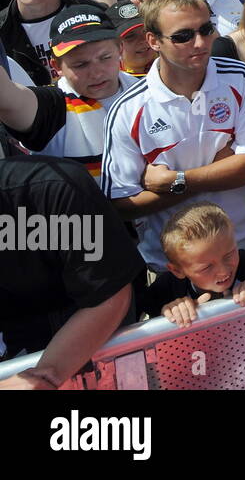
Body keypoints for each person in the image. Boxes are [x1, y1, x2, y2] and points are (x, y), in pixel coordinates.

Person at [101, 0, 245, 274]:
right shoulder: (127, 109)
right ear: (153, 41)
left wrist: (176, 181)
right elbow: (122, 203)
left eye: (206, 29)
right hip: (176, 268)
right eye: (183, 36)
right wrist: (217, 169)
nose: (200, 42)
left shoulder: (240, 77)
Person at [0, 156, 144, 389]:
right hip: (18, 328)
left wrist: (47, 377)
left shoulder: (57, 187)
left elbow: (108, 295)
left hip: (88, 314)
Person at [0, 5, 138, 184]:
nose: (96, 73)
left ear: (120, 49)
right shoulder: (52, 107)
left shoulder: (150, 90)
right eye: (80, 65)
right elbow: (5, 97)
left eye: (105, 58)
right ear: (56, 66)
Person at [137, 202, 245, 326]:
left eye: (229, 255)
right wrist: (169, 312)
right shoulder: (166, 291)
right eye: (206, 267)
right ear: (177, 271)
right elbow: (146, 314)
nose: (223, 270)